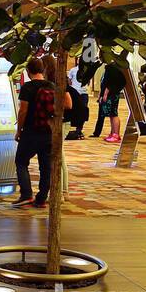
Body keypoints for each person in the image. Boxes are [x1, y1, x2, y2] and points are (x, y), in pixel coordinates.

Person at [15, 56, 68, 208]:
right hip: (48, 131)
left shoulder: (27, 87)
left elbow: (23, 111)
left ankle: (26, 194)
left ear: (28, 71)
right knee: (46, 166)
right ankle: (41, 198)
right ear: (42, 70)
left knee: (21, 161)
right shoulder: (51, 85)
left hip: (31, 131)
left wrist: (19, 130)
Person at [92, 62, 125, 142]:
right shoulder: (108, 68)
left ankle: (116, 134)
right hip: (109, 94)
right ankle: (113, 133)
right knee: (111, 114)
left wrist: (106, 93)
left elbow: (111, 82)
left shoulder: (112, 68)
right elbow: (104, 83)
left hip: (112, 95)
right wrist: (101, 94)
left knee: (113, 114)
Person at [65, 63, 89, 140]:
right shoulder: (73, 70)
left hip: (84, 92)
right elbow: (69, 80)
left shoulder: (86, 70)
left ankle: (79, 130)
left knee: (83, 110)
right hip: (76, 91)